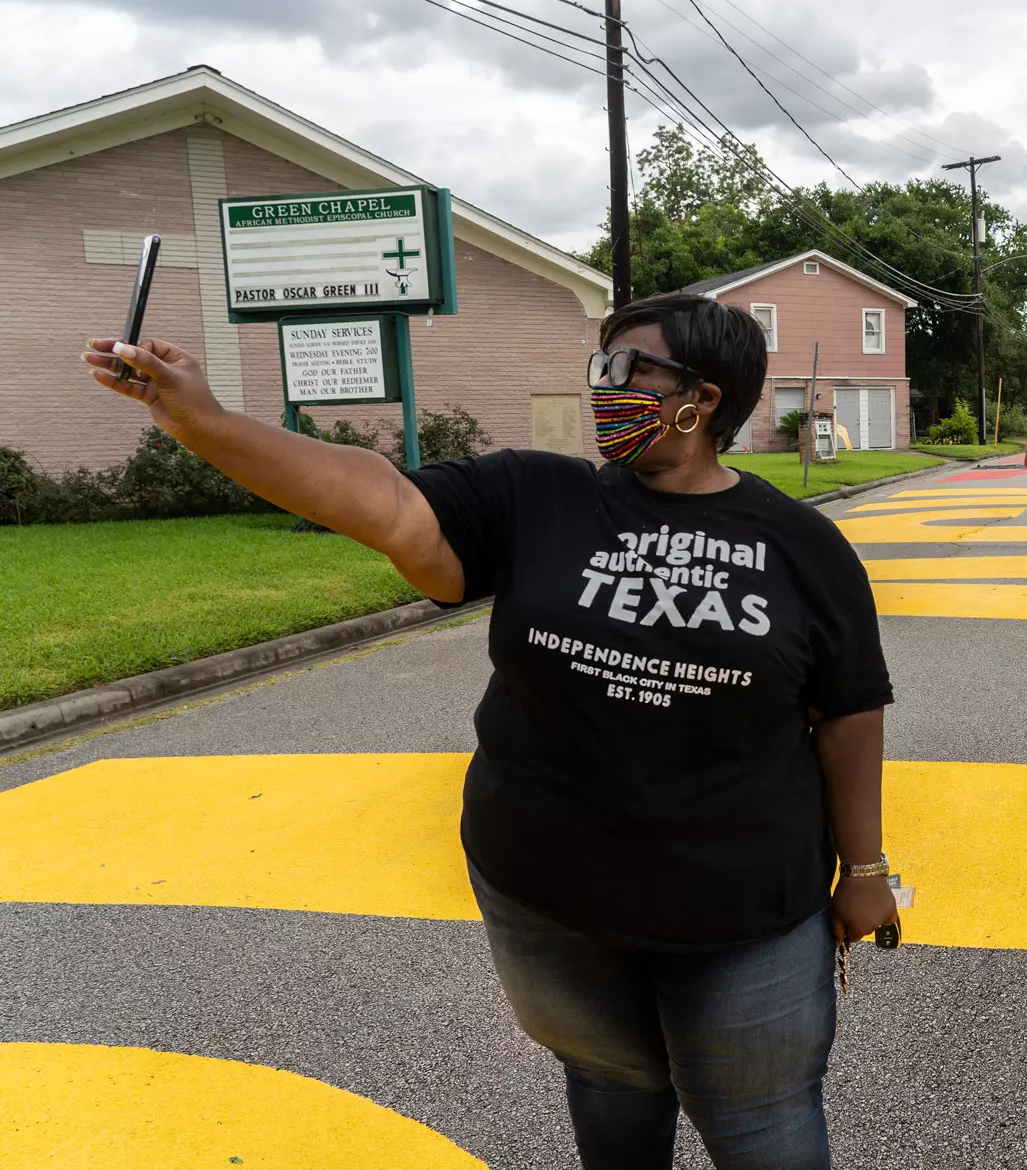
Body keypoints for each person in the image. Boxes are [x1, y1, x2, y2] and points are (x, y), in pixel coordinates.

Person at [85, 294, 897, 1170]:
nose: (603, 387)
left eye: (631, 370)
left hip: (745, 915)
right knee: (611, 1082)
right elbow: (383, 499)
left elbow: (849, 712)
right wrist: (202, 422)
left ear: (705, 398)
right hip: (548, 900)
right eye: (599, 366)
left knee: (762, 1126)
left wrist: (866, 870)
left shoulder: (803, 547)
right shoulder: (539, 495)